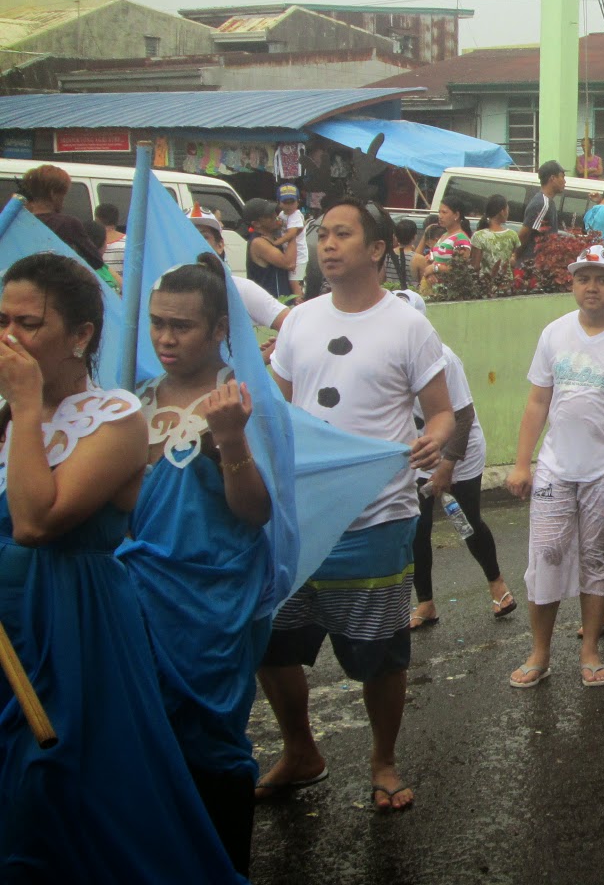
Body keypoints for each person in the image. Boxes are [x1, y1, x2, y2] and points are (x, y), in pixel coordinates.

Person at [0, 252, 238, 880]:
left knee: (59, 779)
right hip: (7, 630)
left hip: (71, 626)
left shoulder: (113, 417)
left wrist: (25, 409)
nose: (9, 339)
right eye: (1, 321)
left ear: (80, 336)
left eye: (28, 324)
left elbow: (35, 522)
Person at [257, 199, 455, 813]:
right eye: (322, 235)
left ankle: (383, 760)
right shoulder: (299, 321)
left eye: (343, 234)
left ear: (375, 249)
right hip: (296, 515)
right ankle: (300, 750)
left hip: (376, 514)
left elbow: (442, 408)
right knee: (273, 640)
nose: (327, 244)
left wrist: (436, 437)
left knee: (379, 649)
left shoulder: (407, 325)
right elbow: (279, 409)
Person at [116, 256, 273, 872]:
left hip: (214, 603)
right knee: (142, 738)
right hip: (135, 595)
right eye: (157, 323)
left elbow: (257, 512)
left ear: (218, 332)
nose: (164, 338)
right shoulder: (132, 402)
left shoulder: (245, 398)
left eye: (181, 326)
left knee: (211, 743)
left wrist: (231, 442)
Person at [505, 244, 604, 690]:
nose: (592, 287)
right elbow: (538, 401)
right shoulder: (554, 333)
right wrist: (521, 463)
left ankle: (589, 649)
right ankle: (540, 652)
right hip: (556, 468)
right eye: (583, 278)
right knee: (547, 554)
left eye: (602, 279)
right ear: (573, 284)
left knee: (596, 557)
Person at [392, 291, 513, 631]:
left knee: (465, 520)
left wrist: (447, 466)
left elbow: (463, 416)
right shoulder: (385, 357)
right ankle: (426, 603)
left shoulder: (442, 358)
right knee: (417, 528)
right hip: (419, 450)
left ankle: (498, 585)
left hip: (459, 451)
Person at [188, 207, 289, 332]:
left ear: (220, 245)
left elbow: (292, 325)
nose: (193, 243)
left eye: (203, 237)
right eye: (186, 237)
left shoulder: (240, 289)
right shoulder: (163, 290)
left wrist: (267, 352)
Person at [17, 163, 102, 268]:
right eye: (63, 194)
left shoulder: (17, 222)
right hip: (57, 282)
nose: (64, 200)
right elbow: (96, 260)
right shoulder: (68, 224)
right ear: (53, 194)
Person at [242, 197, 295, 301]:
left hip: (280, 301)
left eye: (274, 212)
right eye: (269, 216)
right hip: (270, 304)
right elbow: (289, 264)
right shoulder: (258, 242)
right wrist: (293, 234)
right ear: (256, 223)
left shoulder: (274, 238)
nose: (275, 216)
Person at [519, 160, 568, 262]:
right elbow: (524, 235)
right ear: (552, 178)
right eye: (562, 176)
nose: (564, 181)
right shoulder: (542, 204)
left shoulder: (549, 202)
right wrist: (515, 256)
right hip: (532, 264)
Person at [424, 195, 473, 289]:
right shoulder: (444, 235)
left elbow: (460, 269)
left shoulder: (461, 239)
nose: (440, 216)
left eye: (444, 212)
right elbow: (436, 260)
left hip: (450, 292)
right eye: (439, 212)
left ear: (456, 215)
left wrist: (435, 268)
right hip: (436, 290)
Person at [470, 194, 519, 271]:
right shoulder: (512, 235)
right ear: (502, 212)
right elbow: (515, 260)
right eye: (507, 210)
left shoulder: (478, 235)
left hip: (484, 280)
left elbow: (475, 265)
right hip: (505, 281)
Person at [278, 184, 307, 300]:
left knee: (294, 283)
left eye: (292, 202)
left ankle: (299, 303)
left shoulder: (295, 215)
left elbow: (291, 234)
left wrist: (276, 243)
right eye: (285, 202)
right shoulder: (282, 215)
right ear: (279, 203)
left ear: (297, 202)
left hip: (299, 256)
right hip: (290, 254)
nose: (289, 206)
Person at [95, 202, 126, 279]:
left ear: (97, 219)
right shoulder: (128, 244)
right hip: (120, 289)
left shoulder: (91, 242)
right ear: (117, 220)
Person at [387, 217, 419, 290]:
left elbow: (380, 280)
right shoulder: (419, 259)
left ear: (395, 237)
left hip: (391, 294)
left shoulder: (386, 256)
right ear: (414, 237)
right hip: (411, 297)